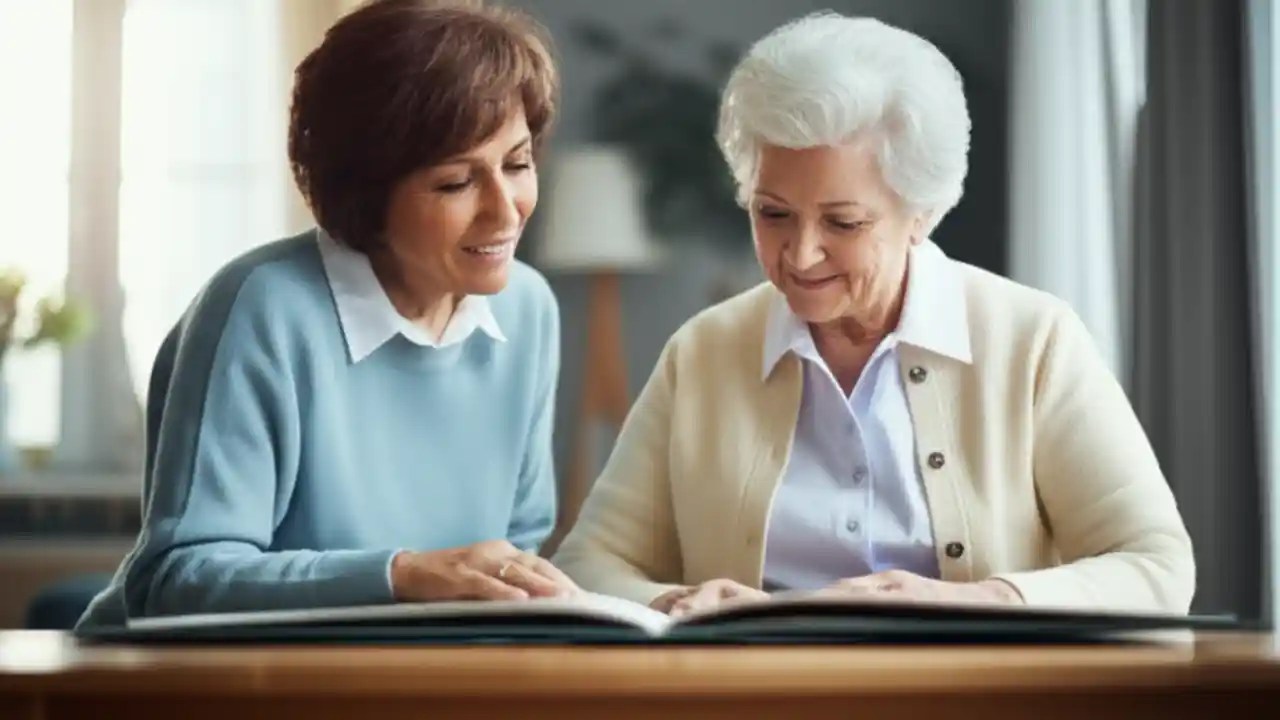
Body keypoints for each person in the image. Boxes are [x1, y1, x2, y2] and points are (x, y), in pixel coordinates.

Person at [553, 13, 1195, 618]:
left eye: (844, 222)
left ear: (922, 213)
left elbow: (1156, 566)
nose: (800, 254)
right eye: (772, 213)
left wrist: (976, 600)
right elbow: (589, 563)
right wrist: (677, 602)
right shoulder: (703, 352)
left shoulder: (1034, 342)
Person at [77, 0, 575, 630]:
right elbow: (177, 579)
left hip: (399, 679)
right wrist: (401, 575)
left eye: (517, 164)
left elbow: (512, 555)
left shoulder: (527, 310)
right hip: (184, 686)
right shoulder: (262, 309)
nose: (505, 211)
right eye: (456, 183)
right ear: (366, 192)